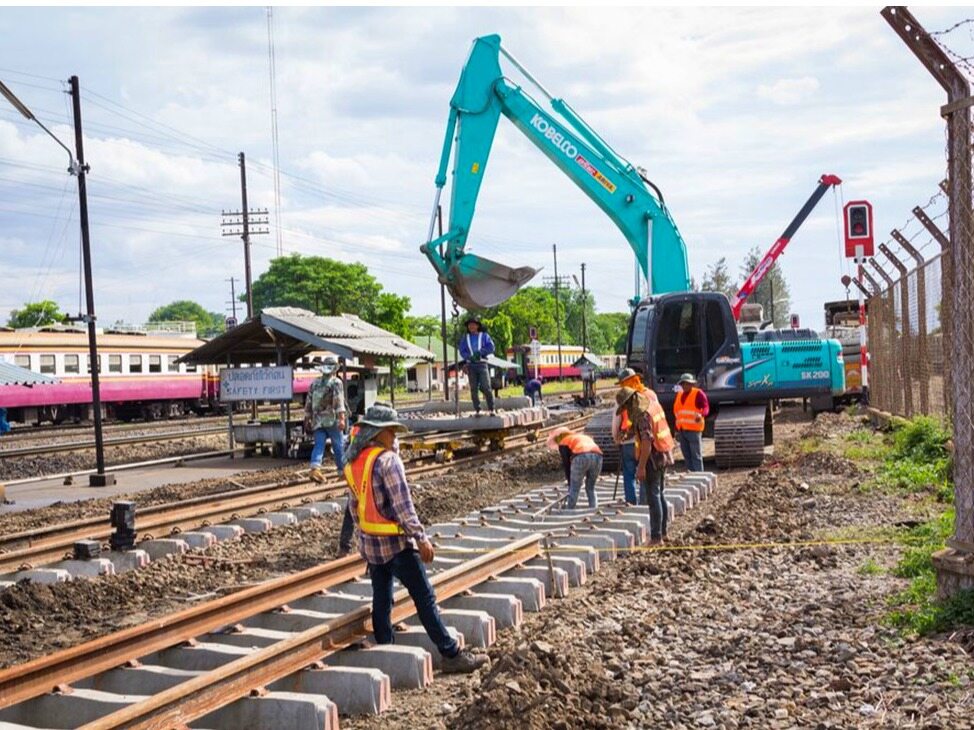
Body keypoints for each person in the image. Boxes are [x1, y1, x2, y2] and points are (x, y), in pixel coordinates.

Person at [344, 402, 488, 674]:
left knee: (382, 600)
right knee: (424, 597)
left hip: (372, 545)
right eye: (392, 432)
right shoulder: (388, 461)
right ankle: (450, 652)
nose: (395, 437)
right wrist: (421, 538)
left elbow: (355, 506)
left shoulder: (355, 462)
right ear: (378, 432)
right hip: (397, 544)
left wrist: (364, 540)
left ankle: (386, 650)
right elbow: (403, 506)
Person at [616, 386, 675, 544]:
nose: (626, 410)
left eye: (626, 407)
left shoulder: (642, 414)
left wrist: (641, 467)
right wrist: (628, 433)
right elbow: (648, 431)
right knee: (659, 494)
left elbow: (647, 442)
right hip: (664, 453)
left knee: (653, 497)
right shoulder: (652, 405)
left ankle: (656, 537)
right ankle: (662, 533)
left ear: (630, 403)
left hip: (652, 459)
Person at [305, 355, 347, 484]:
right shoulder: (336, 382)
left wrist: (307, 418)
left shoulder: (315, 383)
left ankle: (315, 468)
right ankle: (343, 472)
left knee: (319, 445)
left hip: (317, 420)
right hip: (332, 419)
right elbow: (339, 401)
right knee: (338, 445)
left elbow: (309, 402)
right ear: (334, 369)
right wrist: (342, 418)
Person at [546, 426, 603, 509]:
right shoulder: (581, 437)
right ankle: (593, 508)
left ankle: (570, 509)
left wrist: (570, 483)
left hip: (580, 457)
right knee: (591, 487)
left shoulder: (564, 442)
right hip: (598, 456)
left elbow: (567, 465)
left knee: (574, 488)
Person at [611, 368, 643, 505]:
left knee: (629, 473)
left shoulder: (621, 398)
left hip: (627, 441)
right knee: (644, 471)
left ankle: (631, 501)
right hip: (643, 440)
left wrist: (616, 438)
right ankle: (645, 501)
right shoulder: (646, 394)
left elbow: (616, 421)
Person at [458, 318, 495, 415]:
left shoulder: (484, 336)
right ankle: (477, 410)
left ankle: (492, 408)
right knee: (473, 388)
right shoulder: (465, 338)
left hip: (482, 364)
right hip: (471, 365)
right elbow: (462, 350)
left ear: (478, 326)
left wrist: (480, 353)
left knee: (486, 387)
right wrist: (468, 357)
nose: (471, 327)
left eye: (473, 325)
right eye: (469, 325)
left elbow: (491, 347)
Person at [673, 372, 709, 472]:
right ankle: (691, 474)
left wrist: (701, 414)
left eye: (687, 383)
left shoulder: (698, 393)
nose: (685, 386)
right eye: (683, 384)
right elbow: (677, 412)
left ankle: (699, 477)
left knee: (696, 456)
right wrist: (676, 429)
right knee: (687, 456)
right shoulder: (679, 395)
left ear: (692, 384)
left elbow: (706, 407)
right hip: (682, 430)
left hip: (694, 430)